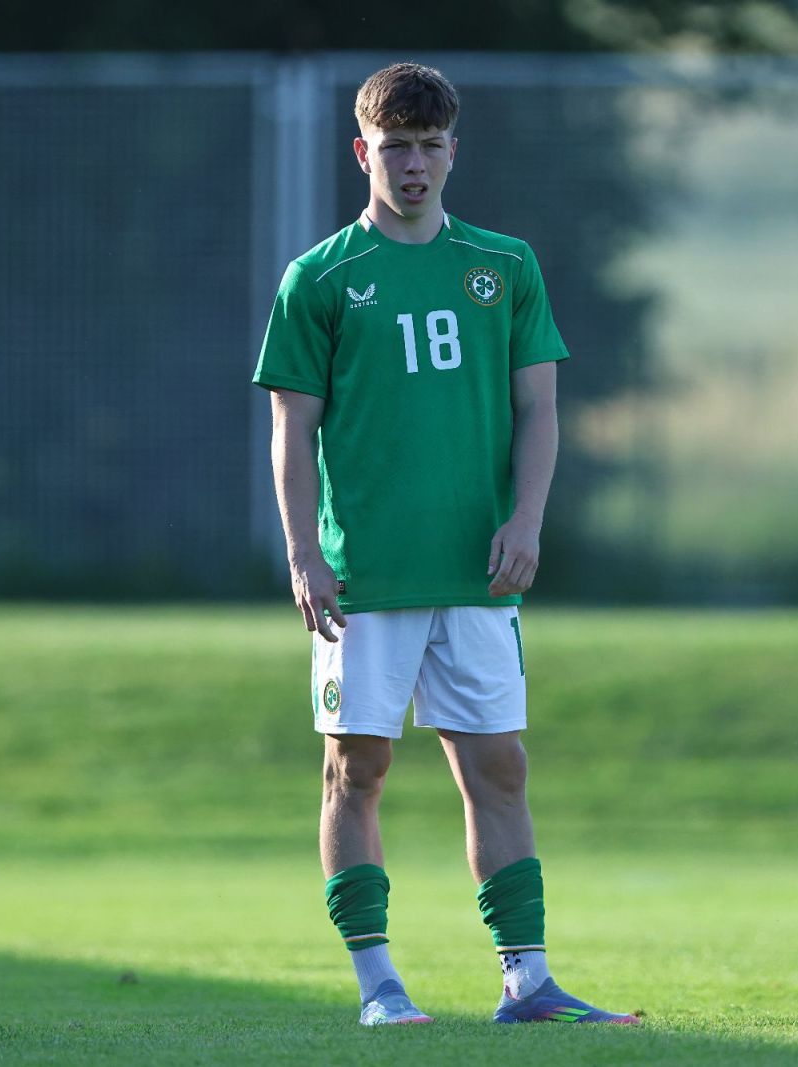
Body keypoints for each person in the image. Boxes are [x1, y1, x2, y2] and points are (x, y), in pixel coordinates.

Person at [252, 61, 638, 1028]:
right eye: (395, 147)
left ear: (453, 151)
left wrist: (528, 518)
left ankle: (529, 981)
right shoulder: (321, 278)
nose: (413, 164)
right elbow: (291, 431)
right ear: (362, 151)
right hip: (367, 579)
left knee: (498, 767)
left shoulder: (503, 266)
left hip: (478, 572)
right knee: (358, 770)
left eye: (429, 146)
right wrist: (303, 552)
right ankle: (380, 983)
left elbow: (539, 407)